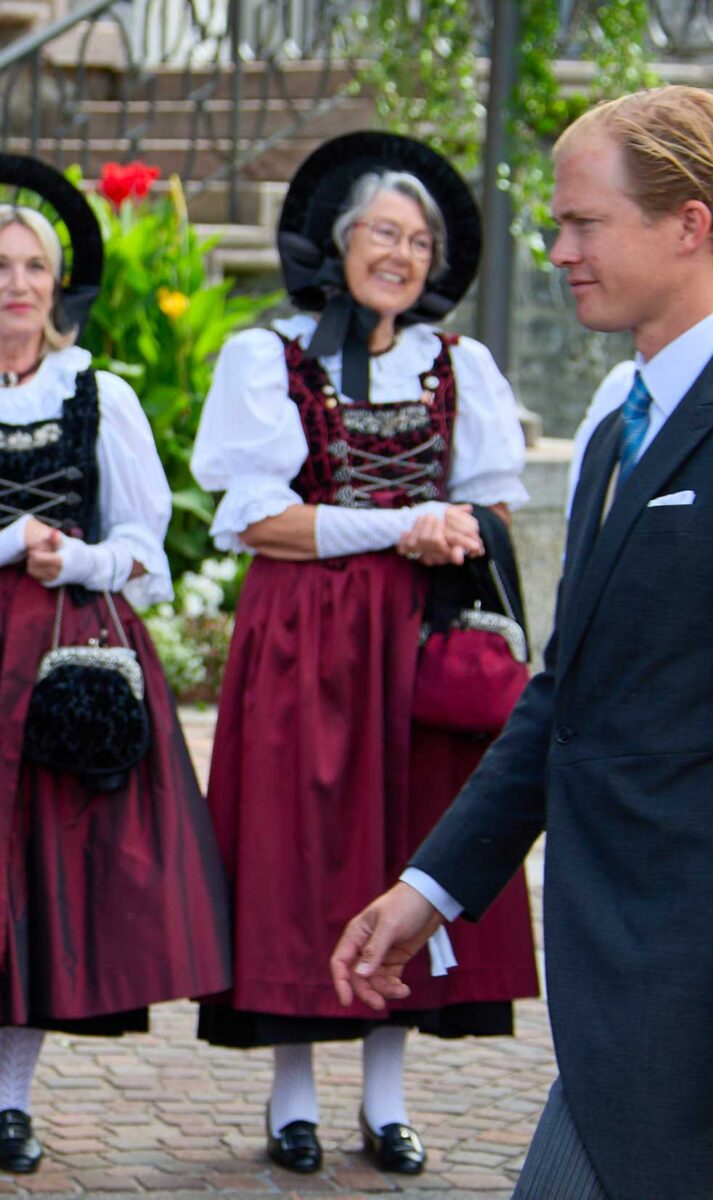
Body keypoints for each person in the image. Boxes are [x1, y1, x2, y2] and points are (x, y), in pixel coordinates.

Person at [330, 86, 713, 1200]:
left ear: (687, 225)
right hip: (624, 1003)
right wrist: (432, 885)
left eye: (583, 223)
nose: (557, 249)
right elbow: (565, 696)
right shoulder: (621, 425)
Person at [191, 132, 538, 1176]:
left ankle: (383, 1101)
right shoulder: (271, 356)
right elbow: (256, 518)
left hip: (418, 644)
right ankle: (291, 1096)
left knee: (414, 849)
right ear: (339, 244)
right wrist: (400, 524)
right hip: (303, 640)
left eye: (420, 240)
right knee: (298, 852)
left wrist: (453, 525)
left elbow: (491, 505)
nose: (402, 253)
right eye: (384, 232)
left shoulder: (458, 367)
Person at [0, 155, 230, 1175]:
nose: (13, 284)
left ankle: (7, 1099)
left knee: (39, 883)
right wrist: (16, 543)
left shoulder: (102, 392)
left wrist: (81, 556)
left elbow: (148, 548)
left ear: (57, 285)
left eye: (30, 267)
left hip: (60, 660)